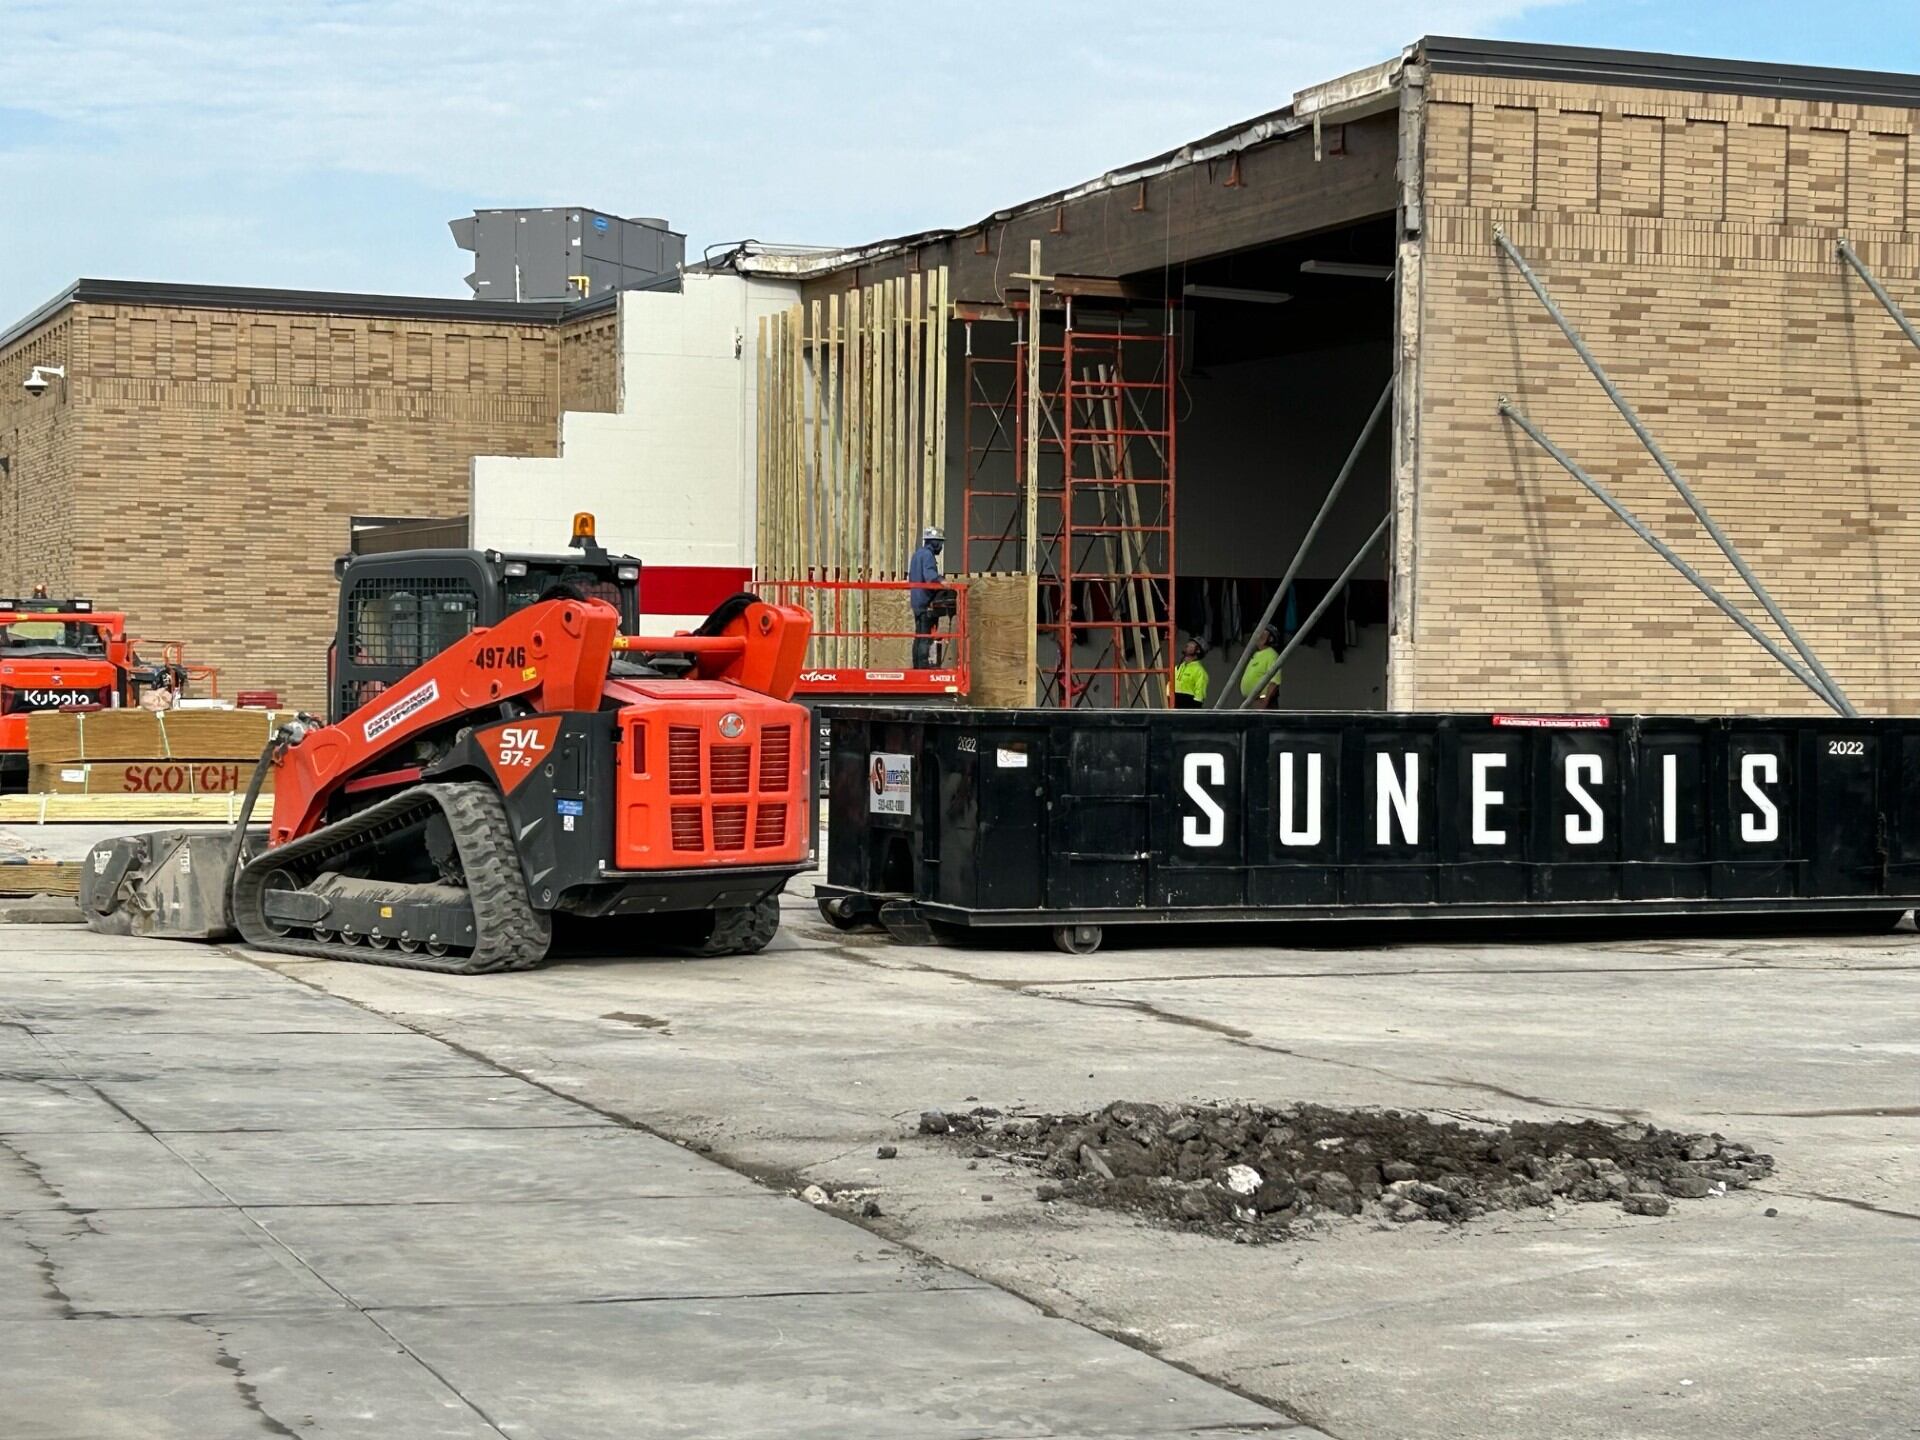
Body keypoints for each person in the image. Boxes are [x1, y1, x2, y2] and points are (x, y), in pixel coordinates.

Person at [909, 526, 945, 668]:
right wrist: (943, 582)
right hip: (925, 603)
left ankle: (917, 666)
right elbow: (930, 577)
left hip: (917, 601)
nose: (941, 547)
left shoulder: (917, 554)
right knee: (925, 637)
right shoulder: (928, 556)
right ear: (934, 542)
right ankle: (923, 668)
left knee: (919, 636)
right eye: (940, 543)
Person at [1239, 626, 1281, 709]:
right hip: (1253, 701)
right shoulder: (1256, 654)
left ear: (1271, 639)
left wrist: (1265, 701)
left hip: (1263, 702)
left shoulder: (1271, 655)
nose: (1259, 636)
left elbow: (1274, 682)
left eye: (1264, 634)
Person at [1172, 638, 1208, 709]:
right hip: (1173, 707)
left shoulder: (1200, 671)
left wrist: (1193, 712)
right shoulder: (1177, 668)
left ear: (1198, 650)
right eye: (1189, 642)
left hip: (1188, 708)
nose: (1188, 644)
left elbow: (1199, 696)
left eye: (1192, 643)